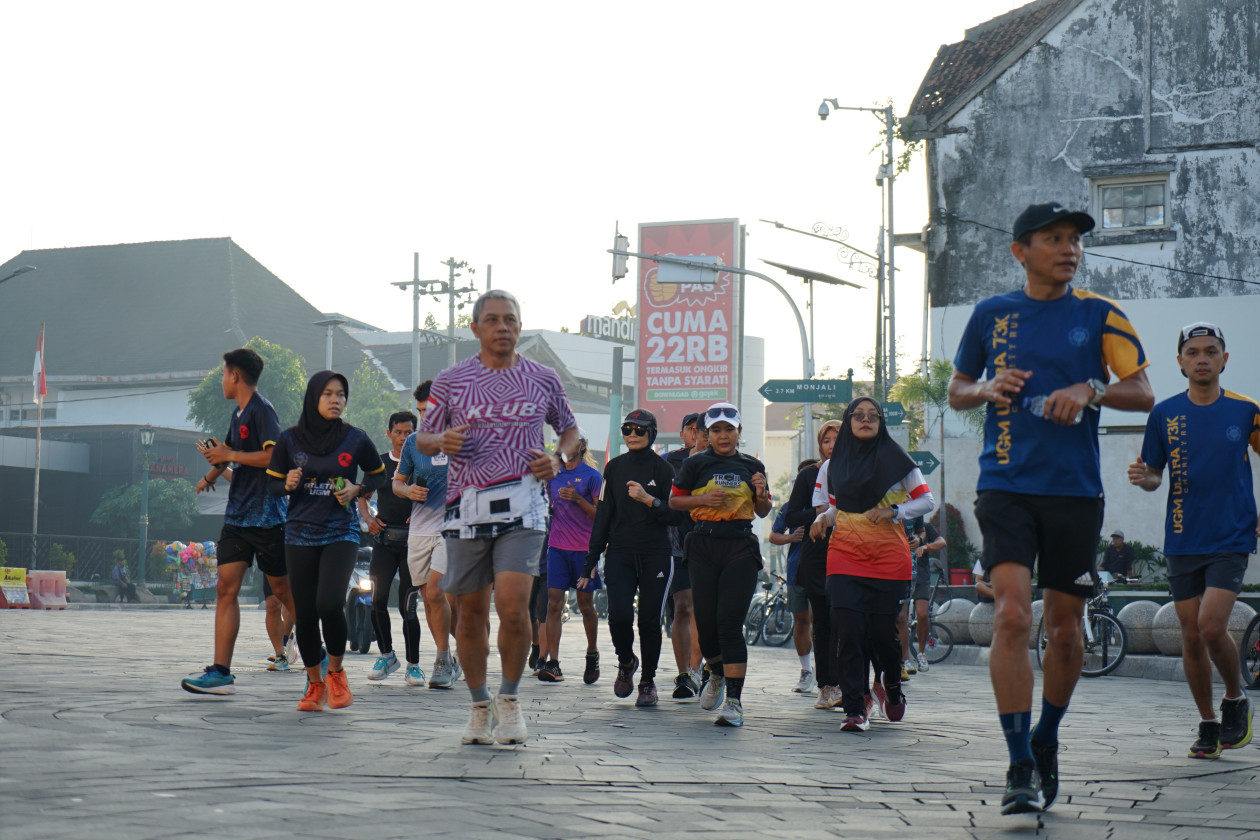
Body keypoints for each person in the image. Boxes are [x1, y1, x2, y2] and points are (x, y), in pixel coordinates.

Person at [948, 202, 1153, 814]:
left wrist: (1090, 389)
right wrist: (985, 386)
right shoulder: (991, 314)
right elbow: (957, 389)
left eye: (1075, 240)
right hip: (1005, 485)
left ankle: (1046, 736)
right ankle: (1018, 765)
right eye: (1054, 238)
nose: (1069, 249)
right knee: (1012, 616)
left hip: (1074, 492)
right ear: (1021, 251)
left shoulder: (1100, 314)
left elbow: (1142, 392)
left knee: (1064, 630)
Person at [415, 289, 578, 746]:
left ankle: (509, 699)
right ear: (475, 328)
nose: (502, 327)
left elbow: (569, 429)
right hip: (466, 507)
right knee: (468, 614)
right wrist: (442, 440)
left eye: (510, 319)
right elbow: (423, 438)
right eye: (492, 319)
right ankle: (479, 705)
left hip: (525, 506)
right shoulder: (451, 380)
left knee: (512, 605)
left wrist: (558, 458)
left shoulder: (543, 378)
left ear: (520, 326)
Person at [1129, 322, 1257, 759]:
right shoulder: (1163, 414)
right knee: (1191, 636)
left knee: (1211, 626)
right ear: (1180, 362)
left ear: (1225, 359)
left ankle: (1235, 698)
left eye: (1211, 351)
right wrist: (1144, 477)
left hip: (1232, 534)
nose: (1202, 358)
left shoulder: (1247, 411)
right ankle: (1208, 724)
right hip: (1183, 536)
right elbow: (1153, 476)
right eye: (1194, 352)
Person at [810, 398, 935, 732]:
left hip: (888, 560)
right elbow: (839, 508)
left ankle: (890, 684)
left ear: (881, 423)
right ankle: (855, 708)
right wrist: (822, 519)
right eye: (858, 415)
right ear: (849, 421)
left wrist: (894, 512)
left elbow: (926, 500)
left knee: (883, 636)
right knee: (848, 634)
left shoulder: (899, 462)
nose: (865, 420)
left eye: (873, 416)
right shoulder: (833, 466)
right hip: (844, 557)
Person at [267, 370, 388, 711]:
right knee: (305, 613)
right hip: (299, 533)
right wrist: (287, 483)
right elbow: (272, 485)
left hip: (341, 531)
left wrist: (357, 489)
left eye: (341, 394)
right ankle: (314, 684)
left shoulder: (355, 438)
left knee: (330, 603)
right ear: (313, 397)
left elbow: (378, 475)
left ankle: (335, 673)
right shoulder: (289, 440)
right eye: (328, 394)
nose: (336, 400)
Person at [184, 347, 296, 696]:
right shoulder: (238, 414)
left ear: (235, 375)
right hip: (237, 516)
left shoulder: (263, 410)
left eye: (223, 374)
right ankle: (221, 672)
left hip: (266, 516)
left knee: (282, 592)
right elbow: (228, 455)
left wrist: (228, 454)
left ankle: (317, 650)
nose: (221, 380)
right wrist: (210, 474)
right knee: (225, 588)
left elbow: (272, 456)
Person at [670, 402, 773, 727]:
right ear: (707, 433)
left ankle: (734, 702)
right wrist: (702, 499)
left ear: (739, 431)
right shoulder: (695, 463)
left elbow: (763, 510)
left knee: (729, 625)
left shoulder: (752, 465)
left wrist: (761, 494)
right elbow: (674, 501)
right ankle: (715, 672)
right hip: (703, 544)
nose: (723, 435)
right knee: (707, 626)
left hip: (740, 545)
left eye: (729, 429)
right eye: (716, 430)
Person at [581, 409, 678, 706]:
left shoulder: (664, 470)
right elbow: (603, 516)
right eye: (627, 429)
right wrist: (591, 560)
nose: (632, 435)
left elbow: (676, 515)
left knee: (649, 621)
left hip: (656, 553)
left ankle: (647, 681)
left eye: (639, 429)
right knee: (619, 616)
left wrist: (650, 500)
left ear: (652, 433)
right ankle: (626, 662)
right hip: (620, 552)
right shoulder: (614, 468)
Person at [394, 381, 460, 689]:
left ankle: (441, 660)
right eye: (420, 411)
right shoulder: (413, 443)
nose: (424, 416)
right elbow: (397, 483)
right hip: (419, 529)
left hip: (452, 528)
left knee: (435, 592)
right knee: (428, 600)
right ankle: (451, 658)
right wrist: (408, 491)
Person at [360, 411, 423, 684]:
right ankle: (387, 656)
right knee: (377, 599)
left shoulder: (423, 463)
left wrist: (421, 514)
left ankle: (413, 665)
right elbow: (363, 497)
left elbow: (435, 495)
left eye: (409, 433)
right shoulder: (380, 464)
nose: (403, 437)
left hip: (414, 542)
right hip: (384, 541)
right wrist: (369, 520)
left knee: (409, 605)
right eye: (398, 432)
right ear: (389, 434)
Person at [785, 420, 844, 711]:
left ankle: (849, 683)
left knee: (847, 621)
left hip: (850, 551)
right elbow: (791, 516)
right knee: (822, 622)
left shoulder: (858, 472)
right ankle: (826, 686)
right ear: (819, 445)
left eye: (837, 439)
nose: (831, 446)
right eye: (826, 441)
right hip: (817, 554)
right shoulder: (809, 475)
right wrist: (819, 514)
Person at [538, 430, 603, 684]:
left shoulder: (593, 476)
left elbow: (601, 515)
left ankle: (592, 652)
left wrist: (577, 499)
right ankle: (553, 663)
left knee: (586, 605)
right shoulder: (553, 476)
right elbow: (548, 506)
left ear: (582, 446)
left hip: (584, 550)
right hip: (557, 547)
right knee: (554, 603)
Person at [768, 458, 821, 694]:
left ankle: (826, 669)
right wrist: (791, 537)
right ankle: (806, 670)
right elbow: (774, 534)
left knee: (823, 620)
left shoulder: (829, 505)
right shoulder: (790, 507)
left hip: (823, 568)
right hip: (796, 569)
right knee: (801, 619)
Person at [662, 412, 704, 698]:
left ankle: (700, 667)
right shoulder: (669, 461)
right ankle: (684, 674)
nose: (696, 434)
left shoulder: (725, 463)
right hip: (676, 543)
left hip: (710, 542)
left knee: (704, 611)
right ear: (683, 433)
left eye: (701, 429)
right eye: (691, 428)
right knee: (683, 607)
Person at [903, 517, 947, 674]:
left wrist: (926, 546)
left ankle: (921, 654)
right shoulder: (897, 523)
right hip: (903, 575)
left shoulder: (925, 527)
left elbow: (942, 542)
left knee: (923, 614)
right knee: (902, 618)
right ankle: (905, 659)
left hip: (921, 577)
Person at [263, 574, 297, 670]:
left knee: (289, 597)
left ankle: (286, 641)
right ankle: (281, 655)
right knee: (272, 603)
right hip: (271, 565)